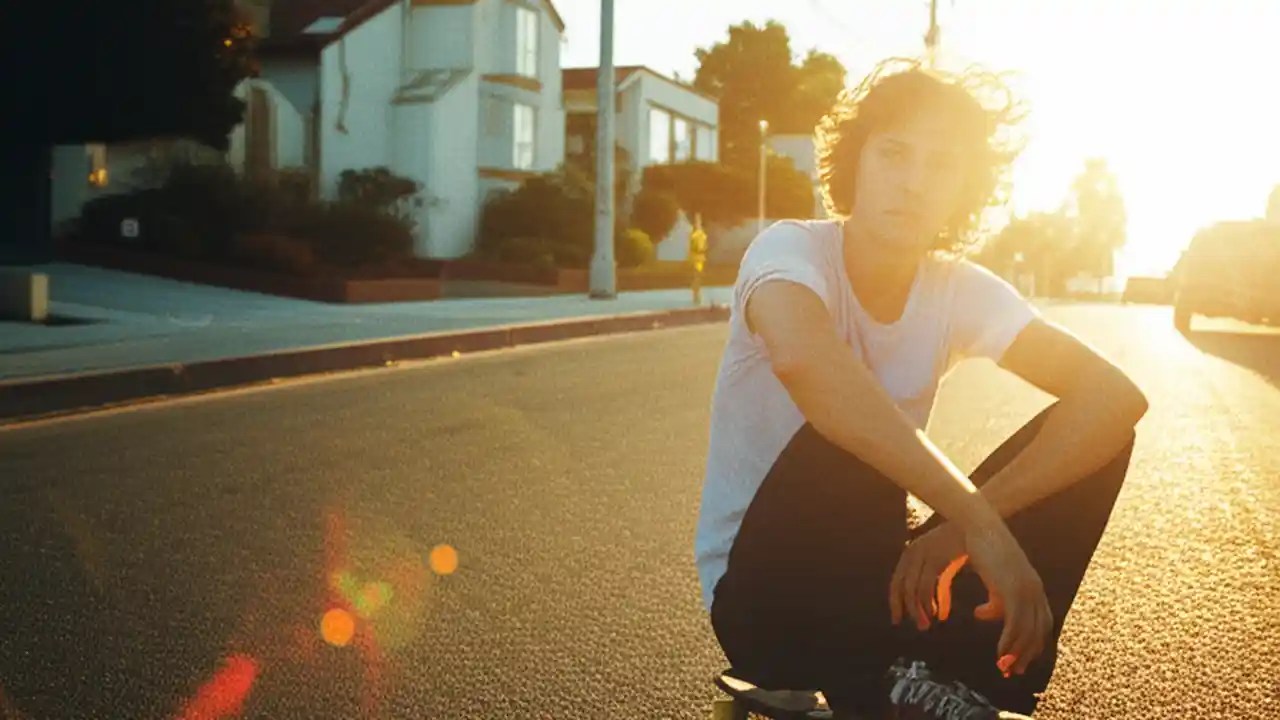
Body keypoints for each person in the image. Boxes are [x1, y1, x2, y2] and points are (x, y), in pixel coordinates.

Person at [694, 58, 1147, 719]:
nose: (913, 183)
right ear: (857, 161)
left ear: (964, 188)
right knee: (858, 427)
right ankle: (877, 680)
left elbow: (1114, 397)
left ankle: (947, 682)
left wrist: (965, 529)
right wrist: (978, 523)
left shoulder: (957, 288)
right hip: (764, 593)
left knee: (1097, 441)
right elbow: (809, 368)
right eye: (895, 154)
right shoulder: (788, 251)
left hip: (872, 584)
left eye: (941, 165)